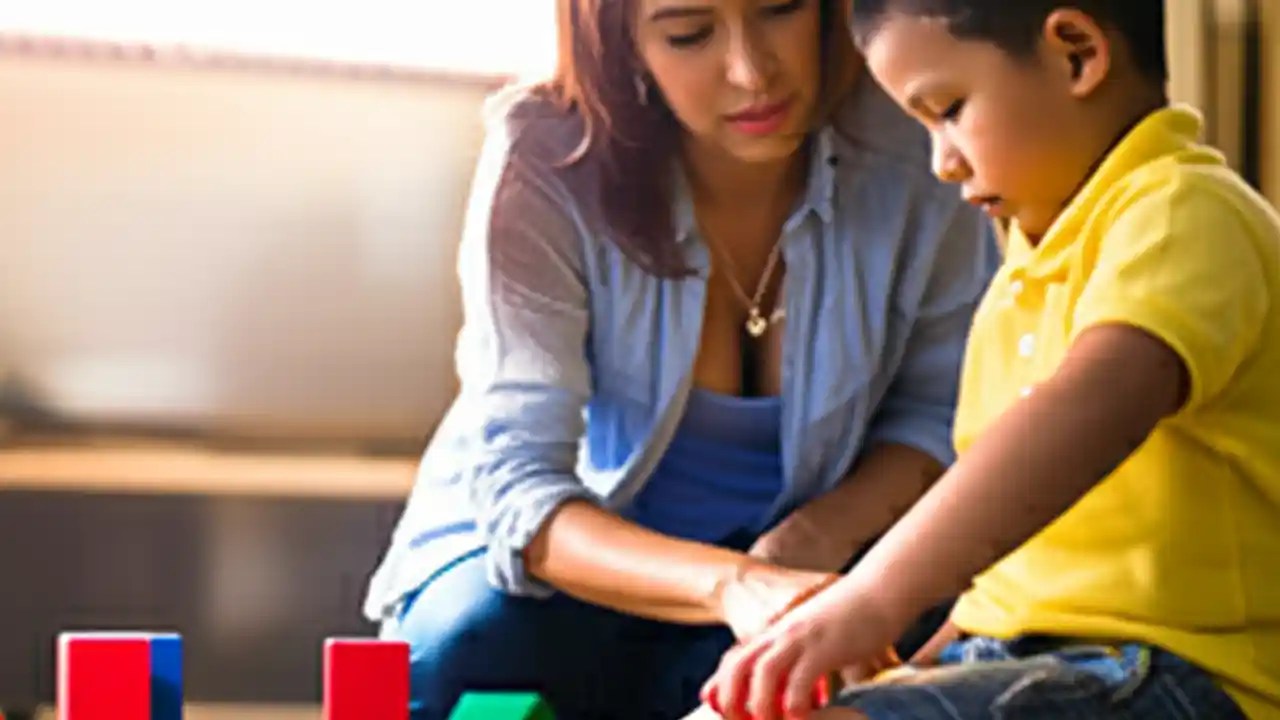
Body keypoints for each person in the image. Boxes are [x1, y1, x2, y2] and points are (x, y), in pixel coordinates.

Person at [362, 0, 997, 717]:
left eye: (779, 11)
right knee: (476, 648)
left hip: (801, 563)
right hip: (560, 572)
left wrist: (805, 546)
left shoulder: (914, 139)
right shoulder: (545, 160)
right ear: (622, 47)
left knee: (900, 654)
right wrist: (734, 584)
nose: (752, 71)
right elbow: (521, 490)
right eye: (689, 34)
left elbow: (936, 416)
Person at [698, 1, 1280, 718]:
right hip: (1023, 657)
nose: (942, 163)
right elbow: (1013, 571)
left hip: (1174, 671)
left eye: (947, 110)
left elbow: (1090, 412)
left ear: (1076, 55)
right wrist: (913, 667)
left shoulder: (1184, 213)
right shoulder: (1023, 269)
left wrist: (872, 598)